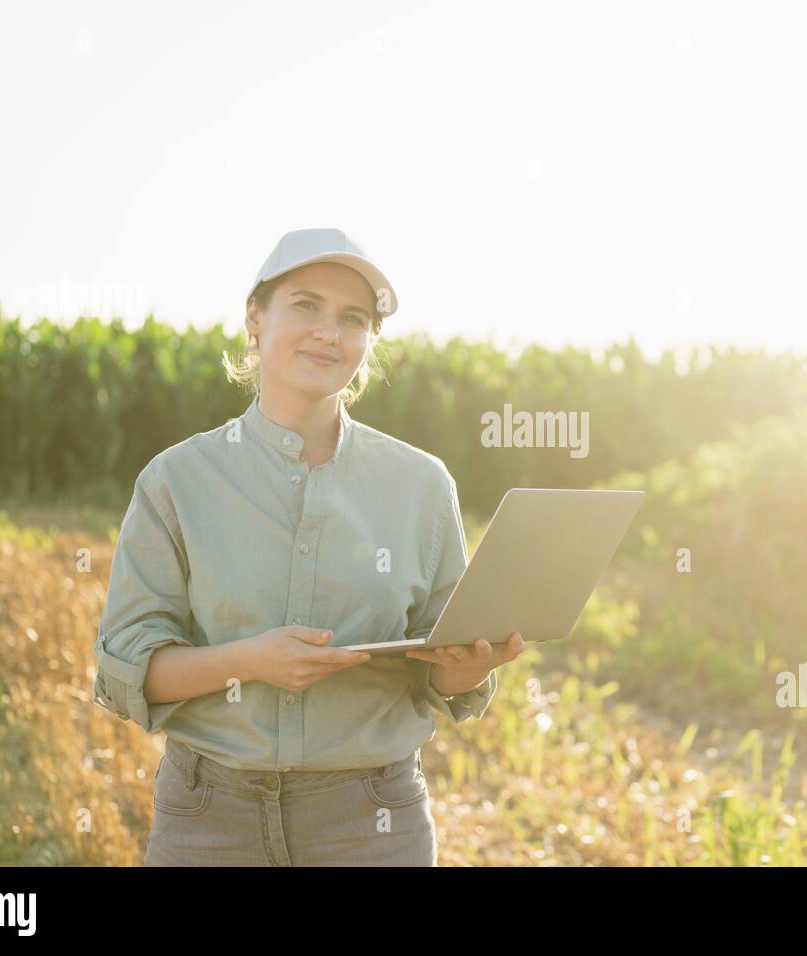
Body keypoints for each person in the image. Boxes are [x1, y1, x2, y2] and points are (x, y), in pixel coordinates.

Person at [92, 227, 525, 866]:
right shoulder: (176, 482)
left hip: (371, 818)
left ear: (368, 342)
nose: (328, 331)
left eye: (352, 318)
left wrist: (463, 669)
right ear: (254, 318)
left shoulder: (421, 485)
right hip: (208, 815)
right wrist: (249, 660)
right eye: (305, 305)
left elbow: (440, 660)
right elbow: (127, 671)